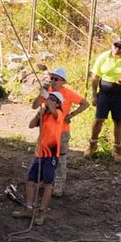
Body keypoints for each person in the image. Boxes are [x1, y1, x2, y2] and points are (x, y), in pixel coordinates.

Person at [27, 68, 85, 218]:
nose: (53, 81)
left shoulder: (66, 94)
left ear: (63, 82)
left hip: (62, 130)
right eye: (52, 78)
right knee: (42, 157)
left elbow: (85, 103)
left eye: (56, 79)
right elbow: (35, 106)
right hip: (46, 130)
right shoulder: (48, 93)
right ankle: (42, 181)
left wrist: (71, 115)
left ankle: (57, 184)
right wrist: (41, 95)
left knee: (60, 158)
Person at [90, 35, 121, 156]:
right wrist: (94, 95)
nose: (117, 49)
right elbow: (95, 76)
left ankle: (117, 148)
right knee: (99, 119)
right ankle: (92, 145)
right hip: (105, 93)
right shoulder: (103, 57)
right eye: (115, 45)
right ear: (111, 45)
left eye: (120, 47)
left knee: (118, 122)